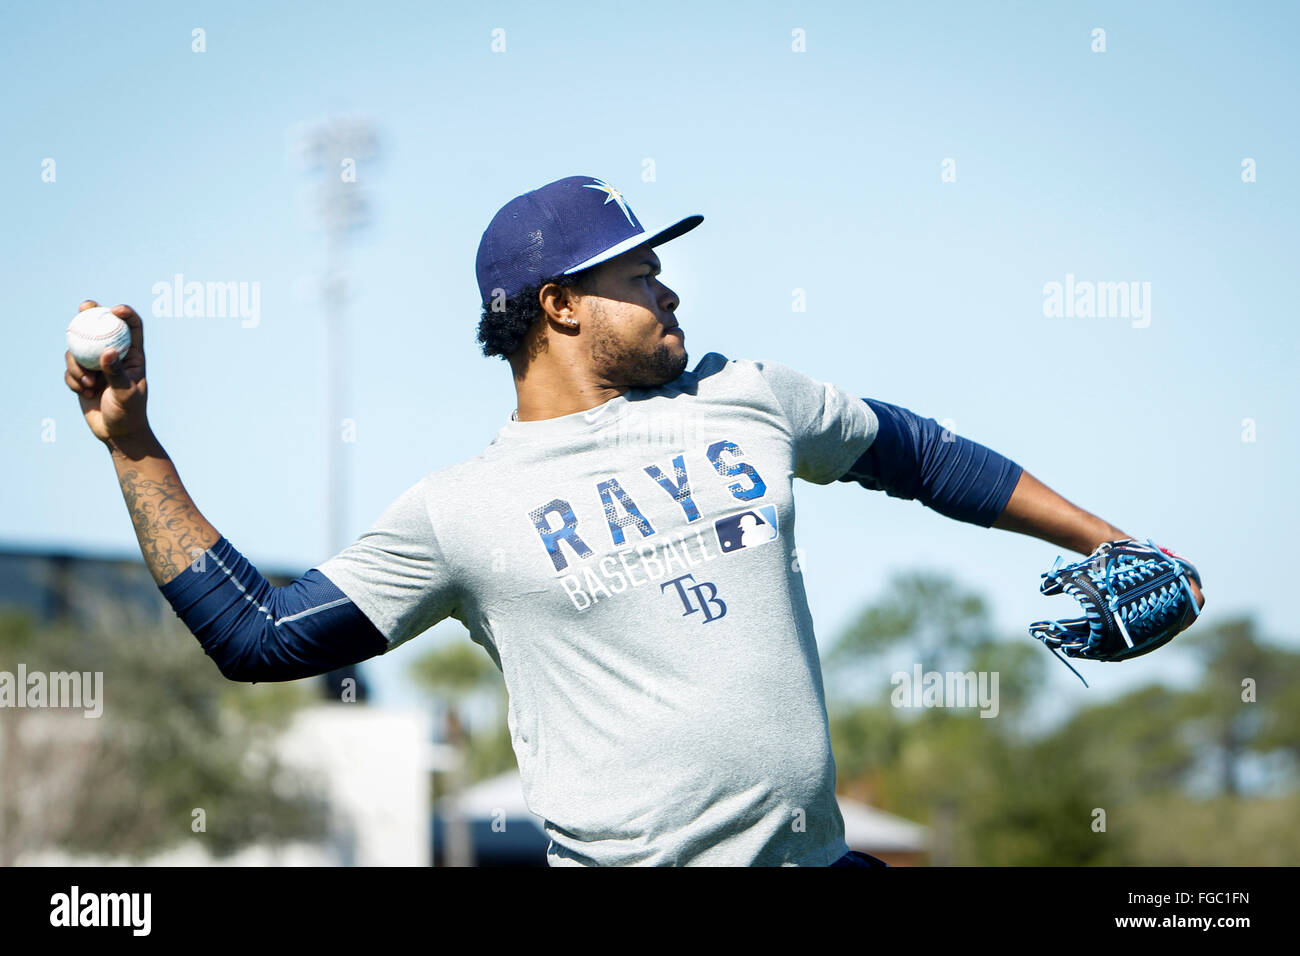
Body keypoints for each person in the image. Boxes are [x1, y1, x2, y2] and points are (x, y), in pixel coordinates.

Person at [64, 174, 1204, 866]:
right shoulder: (461, 509)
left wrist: (1105, 540)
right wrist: (132, 444)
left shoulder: (745, 393)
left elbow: (921, 454)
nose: (670, 292)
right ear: (557, 306)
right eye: (641, 274)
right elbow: (257, 635)